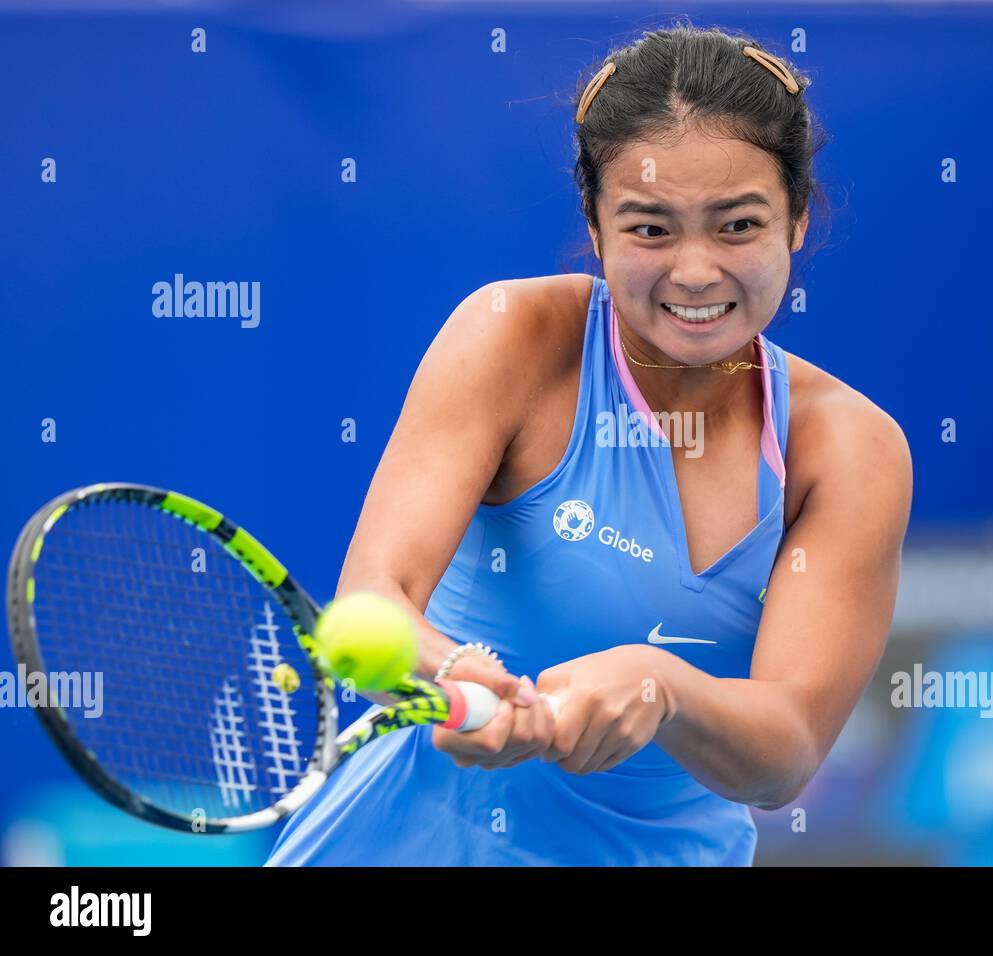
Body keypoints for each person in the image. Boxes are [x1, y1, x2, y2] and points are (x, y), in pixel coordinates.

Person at [267, 24, 911, 866]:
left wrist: (663, 684)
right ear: (595, 224)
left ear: (796, 220)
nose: (694, 272)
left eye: (737, 225)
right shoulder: (514, 337)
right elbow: (371, 600)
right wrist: (458, 673)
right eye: (649, 229)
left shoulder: (851, 448)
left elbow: (785, 751)